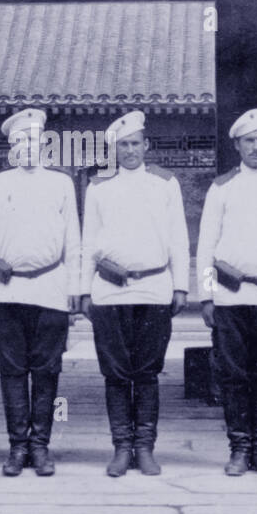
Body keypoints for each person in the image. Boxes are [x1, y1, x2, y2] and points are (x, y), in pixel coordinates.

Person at [81, 111, 189, 476]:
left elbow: (178, 236)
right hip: (110, 293)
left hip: (154, 289)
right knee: (115, 374)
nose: (129, 151)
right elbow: (88, 242)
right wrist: (83, 290)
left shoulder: (165, 183)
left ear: (146, 145)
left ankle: (144, 447)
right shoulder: (98, 186)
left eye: (135, 144)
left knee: (146, 373)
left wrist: (180, 284)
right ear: (114, 148)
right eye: (123, 145)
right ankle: (121, 447)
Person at [0, 109, 81, 477]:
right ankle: (17, 446)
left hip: (50, 288)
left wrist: (74, 290)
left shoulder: (61, 183)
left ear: (45, 144)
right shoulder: (0, 184)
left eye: (35, 140)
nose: (28, 147)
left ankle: (41, 446)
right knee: (12, 371)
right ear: (11, 148)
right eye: (20, 141)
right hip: (6, 292)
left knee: (47, 371)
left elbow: (73, 241)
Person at [196, 108, 257, 477]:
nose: (255, 147)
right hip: (230, 296)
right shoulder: (222, 188)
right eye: (249, 140)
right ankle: (238, 448)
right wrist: (206, 296)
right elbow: (206, 245)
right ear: (236, 144)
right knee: (233, 376)